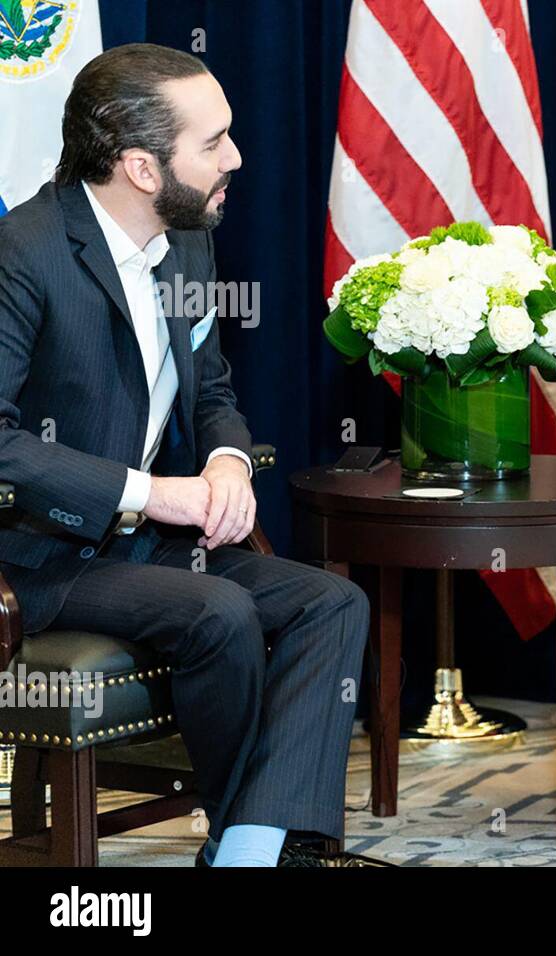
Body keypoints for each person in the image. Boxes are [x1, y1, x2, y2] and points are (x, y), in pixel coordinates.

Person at [0, 44, 382, 867]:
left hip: (144, 547)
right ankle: (259, 844)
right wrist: (151, 492)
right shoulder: (22, 253)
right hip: (36, 554)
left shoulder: (190, 245)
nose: (235, 159)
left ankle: (248, 848)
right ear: (140, 166)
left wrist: (227, 466)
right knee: (221, 614)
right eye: (212, 143)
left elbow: (211, 396)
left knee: (332, 604)